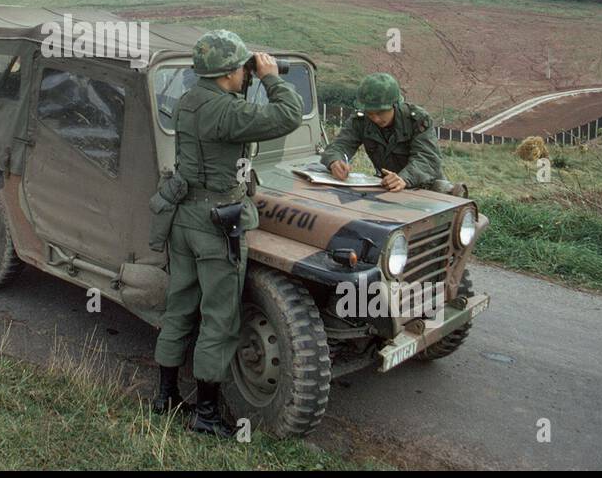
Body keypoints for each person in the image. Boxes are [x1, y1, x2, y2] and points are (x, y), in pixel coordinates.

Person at [152, 30, 303, 437]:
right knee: (219, 319)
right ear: (227, 73)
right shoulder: (226, 112)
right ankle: (205, 415)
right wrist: (270, 77)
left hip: (182, 216)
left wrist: (248, 74)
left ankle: (165, 397)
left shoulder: (187, 101)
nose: (246, 74)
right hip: (216, 223)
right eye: (241, 69)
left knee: (180, 307)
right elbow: (288, 114)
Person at [321, 73, 460, 194]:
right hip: (390, 190)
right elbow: (340, 145)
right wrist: (335, 161)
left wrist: (404, 178)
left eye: (381, 112)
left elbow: (427, 159)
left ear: (395, 105)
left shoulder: (417, 119)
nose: (375, 118)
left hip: (426, 188)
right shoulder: (361, 120)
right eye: (370, 113)